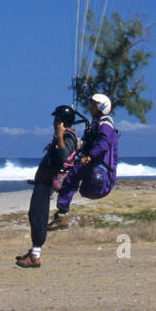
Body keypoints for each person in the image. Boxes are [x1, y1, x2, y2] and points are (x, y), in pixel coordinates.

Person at [16, 104, 79, 268]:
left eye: (57, 119)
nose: (54, 122)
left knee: (38, 216)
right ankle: (33, 251)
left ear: (63, 121)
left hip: (47, 182)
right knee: (35, 214)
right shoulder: (63, 135)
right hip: (43, 181)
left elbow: (64, 156)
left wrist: (59, 136)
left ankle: (35, 256)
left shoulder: (68, 136)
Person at [49, 93, 117, 228]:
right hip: (95, 163)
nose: (90, 108)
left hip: (99, 166)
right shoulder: (96, 124)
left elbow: (104, 144)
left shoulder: (105, 125)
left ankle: (61, 214)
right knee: (70, 175)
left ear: (100, 108)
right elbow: (89, 142)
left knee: (71, 177)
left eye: (93, 105)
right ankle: (60, 213)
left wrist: (89, 156)